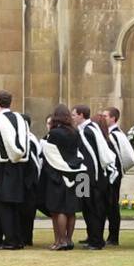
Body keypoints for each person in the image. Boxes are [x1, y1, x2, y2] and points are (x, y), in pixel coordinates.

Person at [0, 91, 30, 250]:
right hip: (18, 166)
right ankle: (18, 239)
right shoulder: (20, 119)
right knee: (15, 206)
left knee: (3, 207)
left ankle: (11, 241)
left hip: (2, 167)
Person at [38, 105, 86, 251]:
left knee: (58, 210)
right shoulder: (75, 132)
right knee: (71, 210)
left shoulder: (54, 134)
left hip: (57, 175)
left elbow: (49, 155)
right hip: (75, 173)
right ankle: (69, 240)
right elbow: (79, 152)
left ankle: (60, 241)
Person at [72, 104, 115, 250]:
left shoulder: (87, 132)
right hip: (89, 176)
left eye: (74, 115)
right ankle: (92, 237)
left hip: (89, 177)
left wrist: (88, 177)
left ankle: (96, 240)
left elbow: (89, 157)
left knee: (93, 208)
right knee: (87, 208)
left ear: (81, 115)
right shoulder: (91, 129)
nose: (72, 118)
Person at [102, 107, 134, 247]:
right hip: (110, 174)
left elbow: (124, 156)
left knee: (112, 205)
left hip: (114, 175)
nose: (103, 118)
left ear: (113, 118)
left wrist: (118, 172)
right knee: (106, 204)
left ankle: (113, 236)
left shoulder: (116, 135)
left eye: (106, 116)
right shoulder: (110, 133)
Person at [21, 113, 42, 247]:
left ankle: (26, 238)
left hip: (30, 182)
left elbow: (34, 163)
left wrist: (28, 182)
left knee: (27, 212)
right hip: (26, 182)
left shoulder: (29, 140)